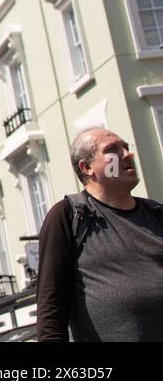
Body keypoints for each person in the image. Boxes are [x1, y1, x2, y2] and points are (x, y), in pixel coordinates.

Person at [36, 128, 163, 341]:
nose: (127, 154)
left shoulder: (157, 214)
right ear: (87, 167)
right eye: (112, 150)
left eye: (126, 147)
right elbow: (51, 308)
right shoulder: (68, 216)